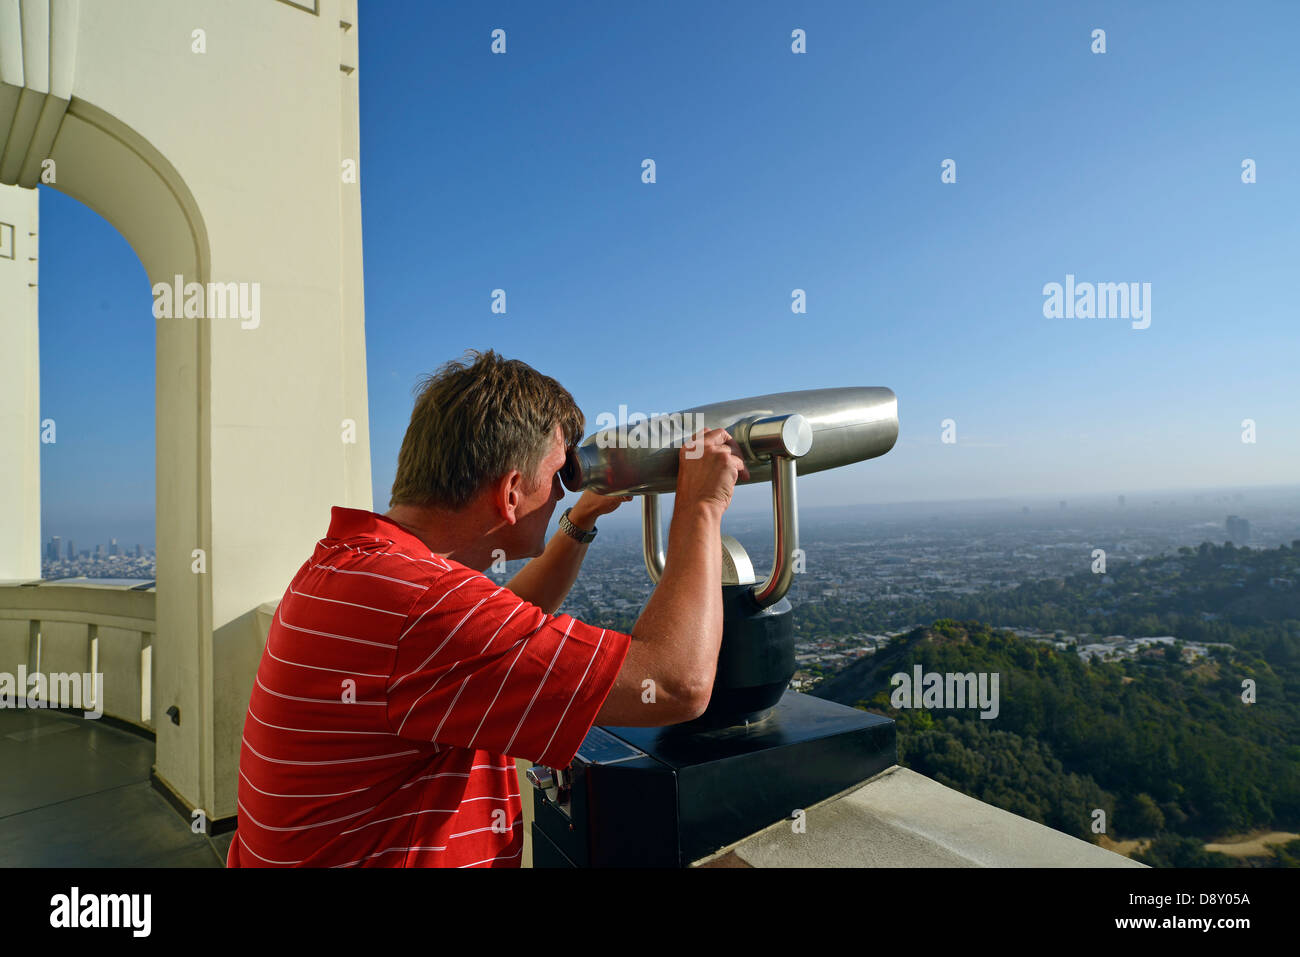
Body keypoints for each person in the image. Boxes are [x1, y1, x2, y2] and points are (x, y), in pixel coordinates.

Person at [227, 348, 747, 867]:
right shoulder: (423, 607)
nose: (564, 487)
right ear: (512, 492)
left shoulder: (351, 567)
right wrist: (700, 507)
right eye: (558, 473)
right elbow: (676, 683)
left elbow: (490, 634)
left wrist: (581, 517)